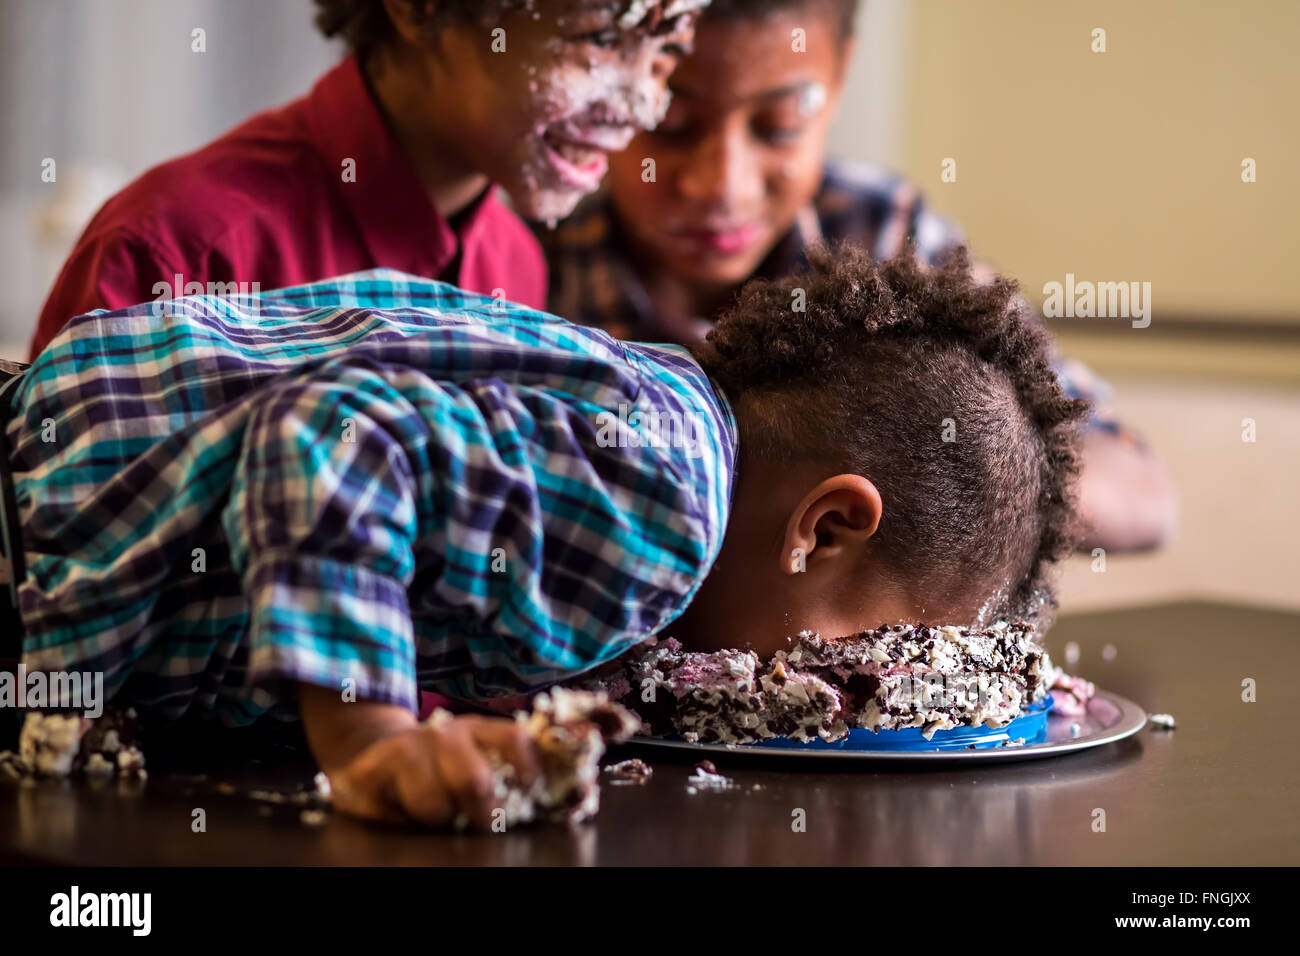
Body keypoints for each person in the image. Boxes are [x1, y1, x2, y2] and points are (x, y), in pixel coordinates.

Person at [2, 243, 1083, 826]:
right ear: (827, 526)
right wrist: (368, 735)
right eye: (860, 646)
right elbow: (335, 436)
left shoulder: (656, 402)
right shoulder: (669, 509)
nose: (823, 684)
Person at [540, 0, 1177, 552]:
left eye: (780, 125)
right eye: (669, 126)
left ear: (840, 75)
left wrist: (915, 469)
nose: (721, 186)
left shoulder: (883, 235)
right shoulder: (528, 258)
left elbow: (1140, 496)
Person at [26, 0, 706, 358]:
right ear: (421, 7)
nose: (644, 103)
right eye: (598, 38)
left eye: (668, 48)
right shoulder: (178, 251)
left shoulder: (515, 263)